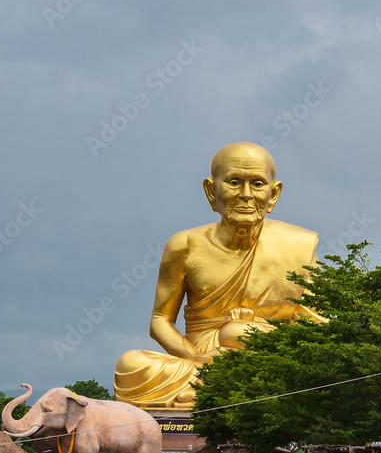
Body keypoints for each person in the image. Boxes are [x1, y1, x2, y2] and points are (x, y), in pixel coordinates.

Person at [114, 142, 323, 408]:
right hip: (198, 360)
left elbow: (316, 330)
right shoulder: (184, 245)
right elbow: (160, 321)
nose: (246, 195)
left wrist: (256, 334)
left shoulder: (300, 246)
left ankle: (220, 383)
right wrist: (196, 358)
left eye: (258, 184)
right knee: (130, 365)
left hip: (269, 363)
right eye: (234, 182)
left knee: (236, 332)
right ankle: (217, 382)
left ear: (274, 194)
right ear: (211, 191)